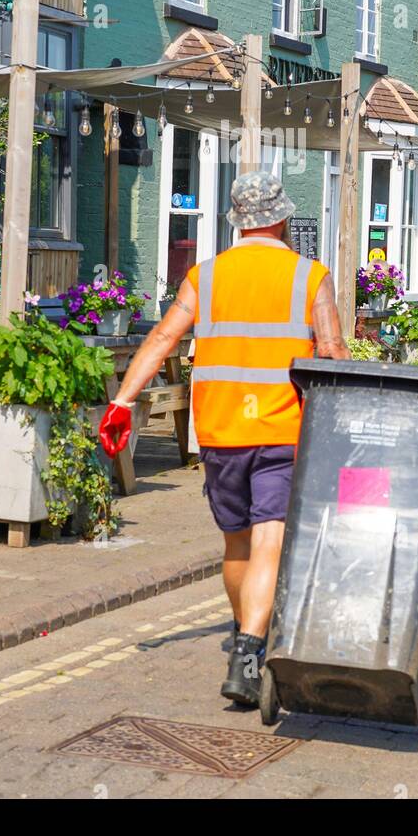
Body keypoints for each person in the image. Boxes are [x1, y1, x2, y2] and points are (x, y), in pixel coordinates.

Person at [97, 171, 350, 707]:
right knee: (270, 540)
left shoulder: (204, 277)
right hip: (282, 429)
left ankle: (243, 636)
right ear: (281, 218)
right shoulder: (311, 277)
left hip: (218, 429)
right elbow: (331, 353)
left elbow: (164, 337)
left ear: (238, 223)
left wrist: (122, 401)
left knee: (237, 541)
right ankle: (250, 651)